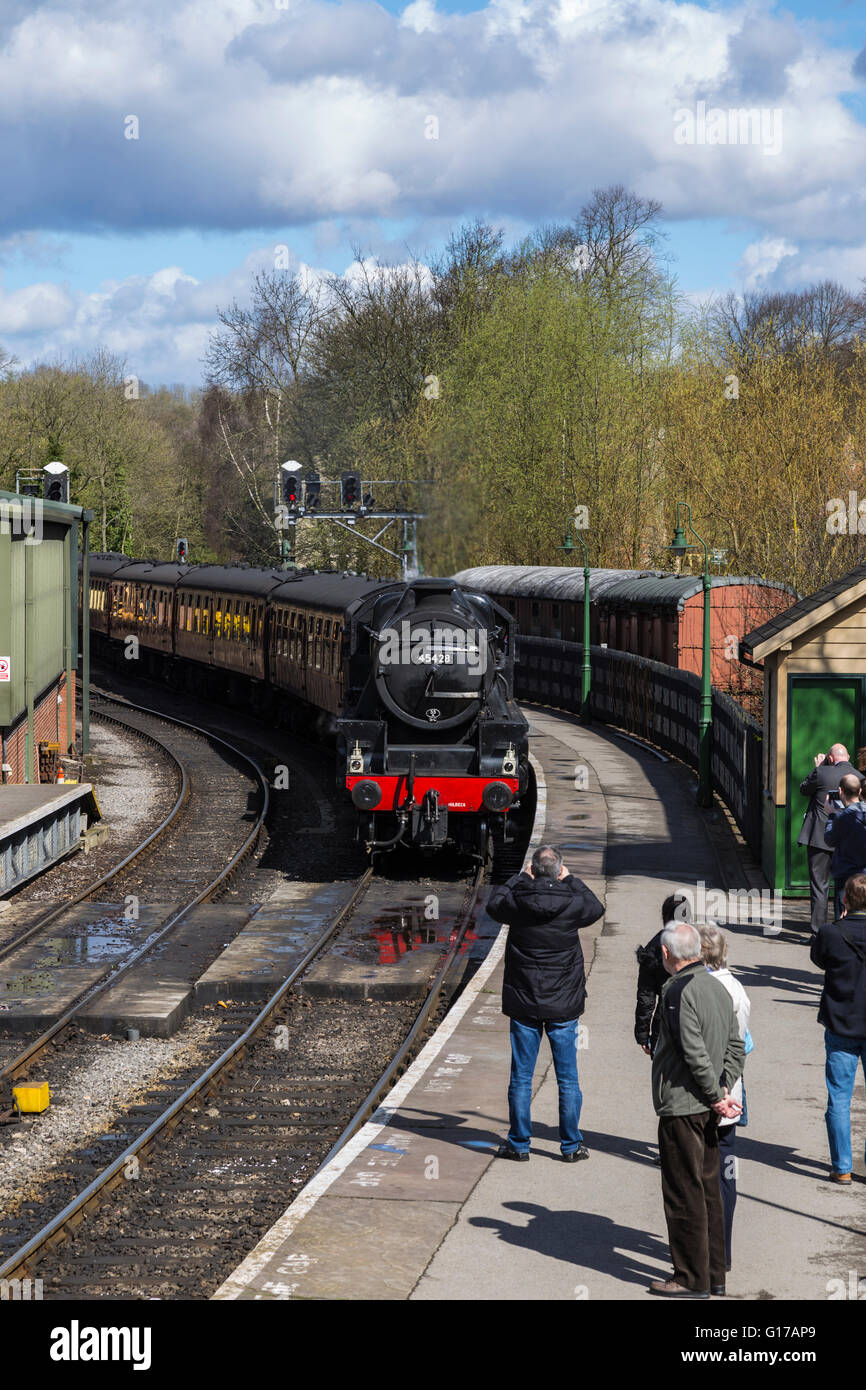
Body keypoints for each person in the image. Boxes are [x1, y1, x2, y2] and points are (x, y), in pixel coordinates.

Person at [486, 844, 604, 1162]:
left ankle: (519, 1144)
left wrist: (519, 879)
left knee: (522, 1076)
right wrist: (572, 879)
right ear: (559, 870)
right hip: (564, 1003)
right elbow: (596, 907)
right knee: (567, 1077)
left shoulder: (517, 901)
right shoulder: (573, 902)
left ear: (533, 870)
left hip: (524, 1001)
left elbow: (493, 904)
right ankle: (570, 1145)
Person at [649, 921, 744, 1299]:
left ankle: (690, 1279)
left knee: (683, 1193)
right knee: (707, 1190)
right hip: (708, 1107)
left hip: (683, 1105)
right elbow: (737, 1045)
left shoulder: (677, 991)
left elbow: (692, 1052)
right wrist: (722, 1088)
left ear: (667, 953)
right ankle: (715, 1275)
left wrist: (713, 1093)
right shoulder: (717, 987)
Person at [699, 925, 752, 1272]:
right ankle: (724, 1254)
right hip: (730, 1092)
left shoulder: (696, 989)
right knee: (726, 1174)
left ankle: (701, 1252)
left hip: (703, 1094)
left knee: (698, 1173)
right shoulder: (738, 990)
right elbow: (743, 1044)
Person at [810, 871, 866, 1185]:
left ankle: (841, 1166)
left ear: (845, 899)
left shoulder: (831, 933)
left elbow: (819, 960)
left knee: (839, 1098)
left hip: (841, 1023)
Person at [798, 744, 858, 933]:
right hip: (848, 840)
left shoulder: (822, 772)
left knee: (819, 887)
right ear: (848, 756)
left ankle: (819, 933)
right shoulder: (860, 778)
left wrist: (818, 767)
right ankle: (844, 931)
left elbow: (804, 789)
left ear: (830, 758)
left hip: (819, 838)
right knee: (847, 887)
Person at [635, 893, 692, 1056]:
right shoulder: (699, 944)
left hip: (664, 1026)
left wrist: (643, 1034)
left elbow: (646, 997)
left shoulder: (653, 948)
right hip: (696, 1023)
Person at [823, 773, 866, 915]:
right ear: (859, 791)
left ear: (840, 791)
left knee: (843, 917)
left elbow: (830, 840)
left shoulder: (842, 818)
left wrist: (831, 816)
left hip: (846, 875)